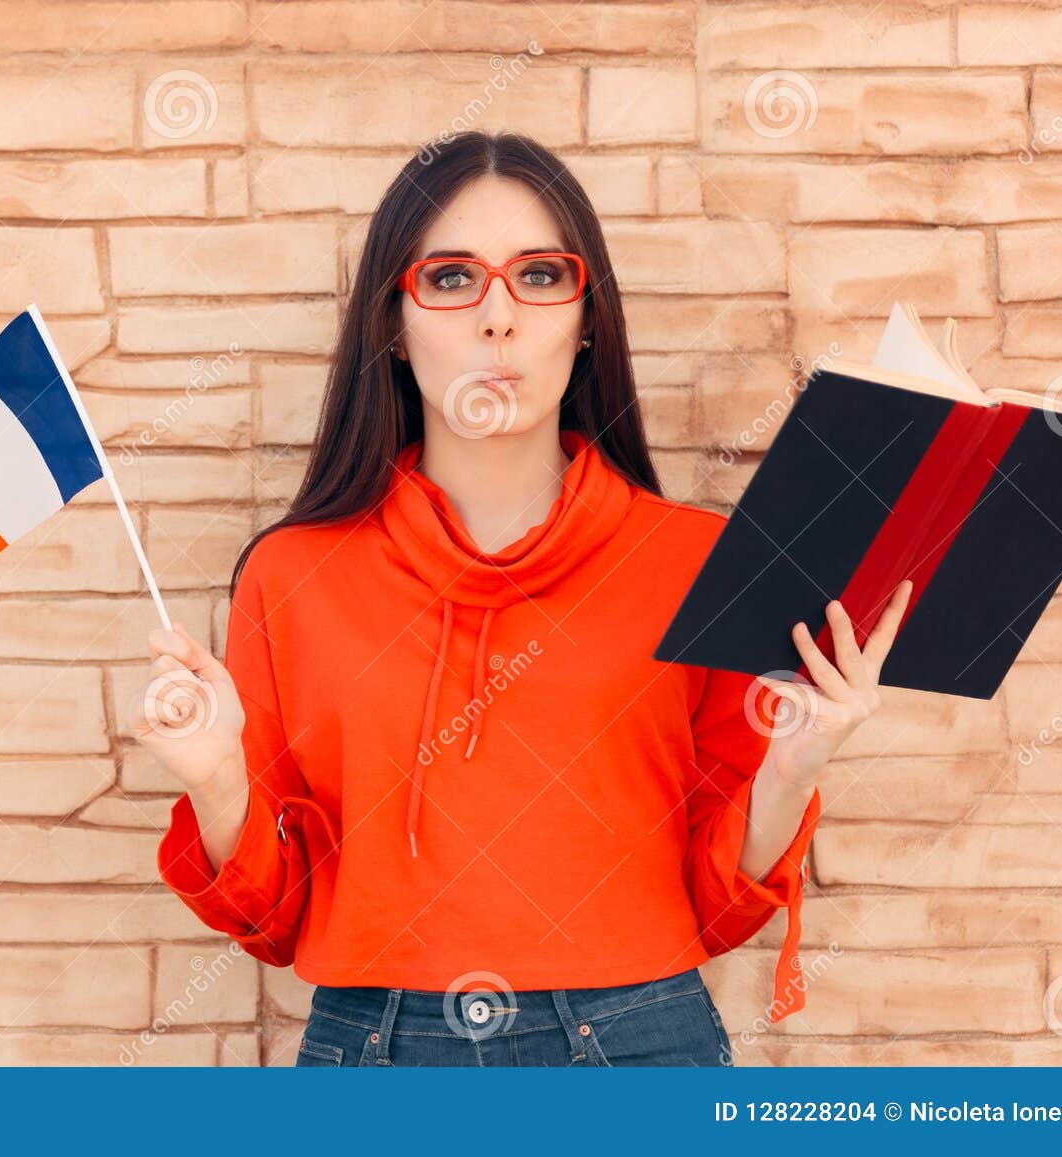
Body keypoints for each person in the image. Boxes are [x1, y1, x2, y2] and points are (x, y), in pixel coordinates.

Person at [135, 131, 911, 1067]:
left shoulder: (698, 561)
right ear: (394, 323)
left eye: (540, 276)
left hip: (639, 1049)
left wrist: (791, 769)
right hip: (374, 1049)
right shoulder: (292, 573)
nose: (497, 317)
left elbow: (716, 907)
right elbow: (276, 917)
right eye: (452, 278)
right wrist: (219, 782)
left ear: (586, 322)